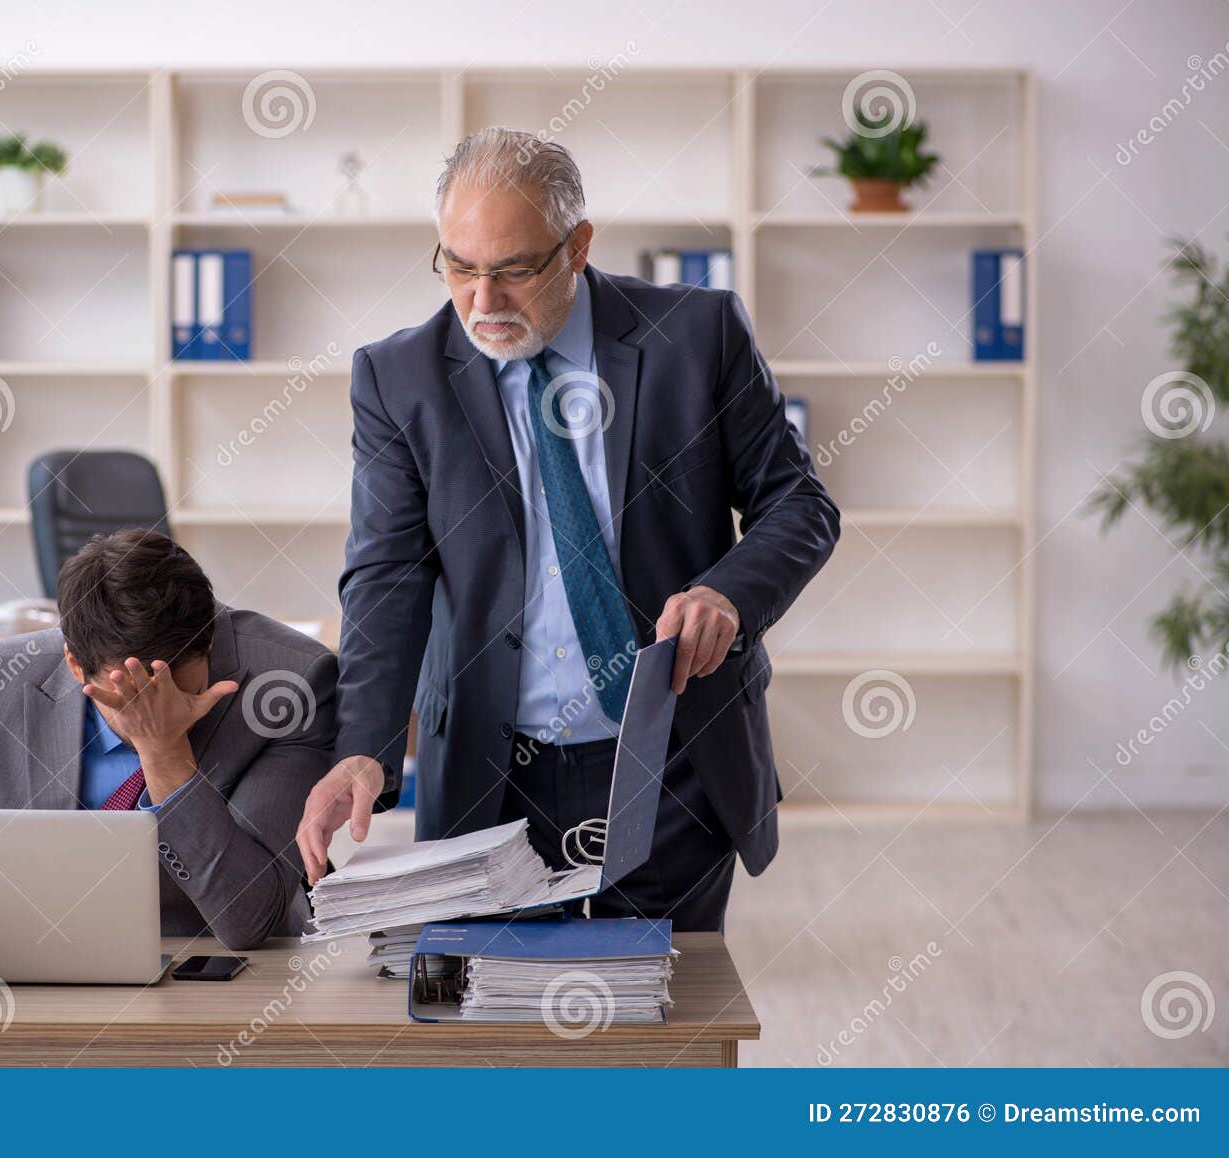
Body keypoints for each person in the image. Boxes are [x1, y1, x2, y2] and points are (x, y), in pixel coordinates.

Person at [297, 127, 840, 930]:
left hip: (669, 762)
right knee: (492, 1030)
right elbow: (386, 575)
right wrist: (362, 748)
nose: (483, 303)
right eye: (459, 267)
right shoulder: (398, 377)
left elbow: (799, 504)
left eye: (513, 270)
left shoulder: (698, 336)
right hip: (490, 773)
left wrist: (728, 593)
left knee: (661, 1030)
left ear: (577, 246)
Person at [0, 529, 336, 950]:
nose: (153, 706)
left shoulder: (291, 684)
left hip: (208, 973)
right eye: (126, 698)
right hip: (26, 963)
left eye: (175, 688)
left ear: (208, 639)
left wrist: (164, 753)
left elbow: (247, 919)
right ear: (74, 665)